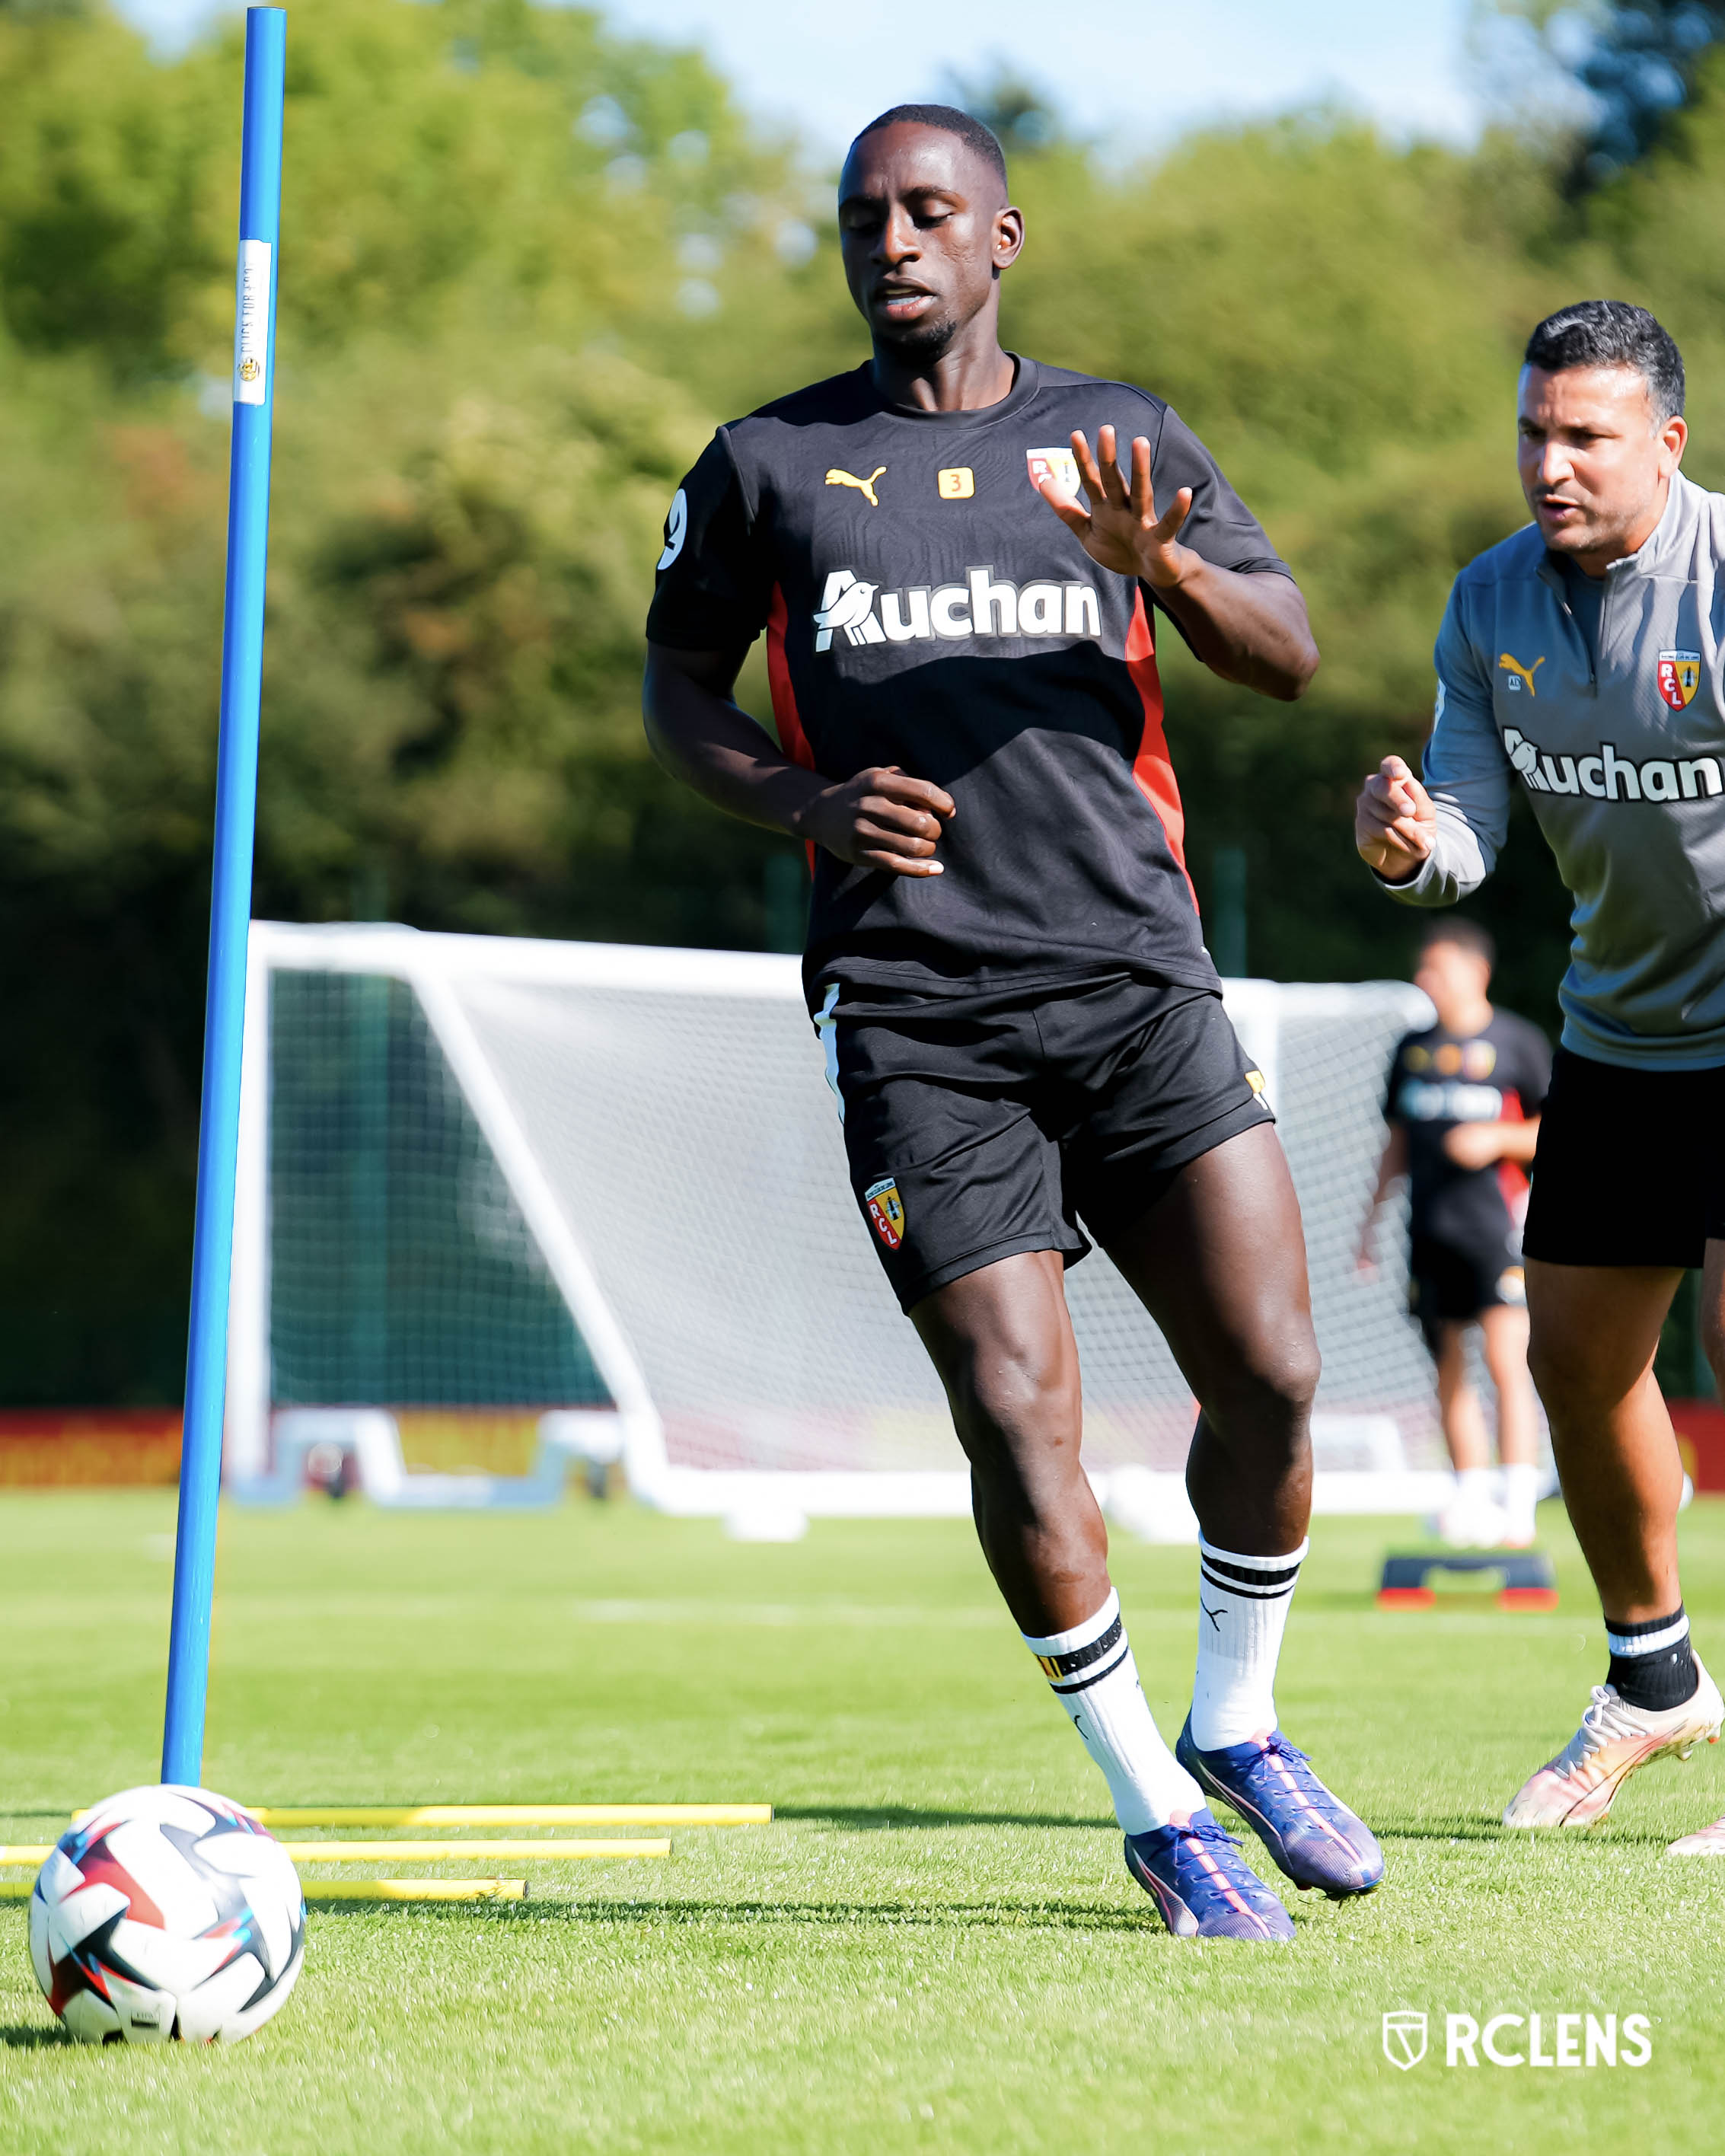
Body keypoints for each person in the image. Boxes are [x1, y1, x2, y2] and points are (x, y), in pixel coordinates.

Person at [643, 103, 1383, 1941]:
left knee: (1278, 1373)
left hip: (1134, 980)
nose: (889, 241)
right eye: (860, 217)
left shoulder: (1115, 438)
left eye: (925, 212)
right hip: (913, 1014)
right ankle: (1153, 1806)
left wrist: (1170, 572)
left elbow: (1286, 655)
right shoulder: (766, 463)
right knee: (1017, 1414)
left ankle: (1237, 1716)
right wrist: (800, 804)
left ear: (1002, 236)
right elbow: (674, 692)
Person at [1354, 298, 1725, 1846]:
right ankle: (1652, 1681)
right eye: (1530, 432)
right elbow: (1464, 833)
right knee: (1571, 1358)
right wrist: (1406, 845)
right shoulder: (1485, 600)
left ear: (1664, 440)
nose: (1548, 464)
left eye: (1582, 436)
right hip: (1619, 1036)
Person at [1356, 920, 1548, 1548]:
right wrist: (1369, 1225)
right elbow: (1397, 1144)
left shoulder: (1517, 1043)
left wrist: (1497, 1138)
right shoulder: (1412, 1048)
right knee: (1447, 1366)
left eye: (1437, 968)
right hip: (1428, 1232)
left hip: (1497, 1229)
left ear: (1476, 972)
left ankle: (1517, 1500)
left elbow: (1556, 1134)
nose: (1425, 981)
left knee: (1505, 1361)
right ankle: (1469, 1497)